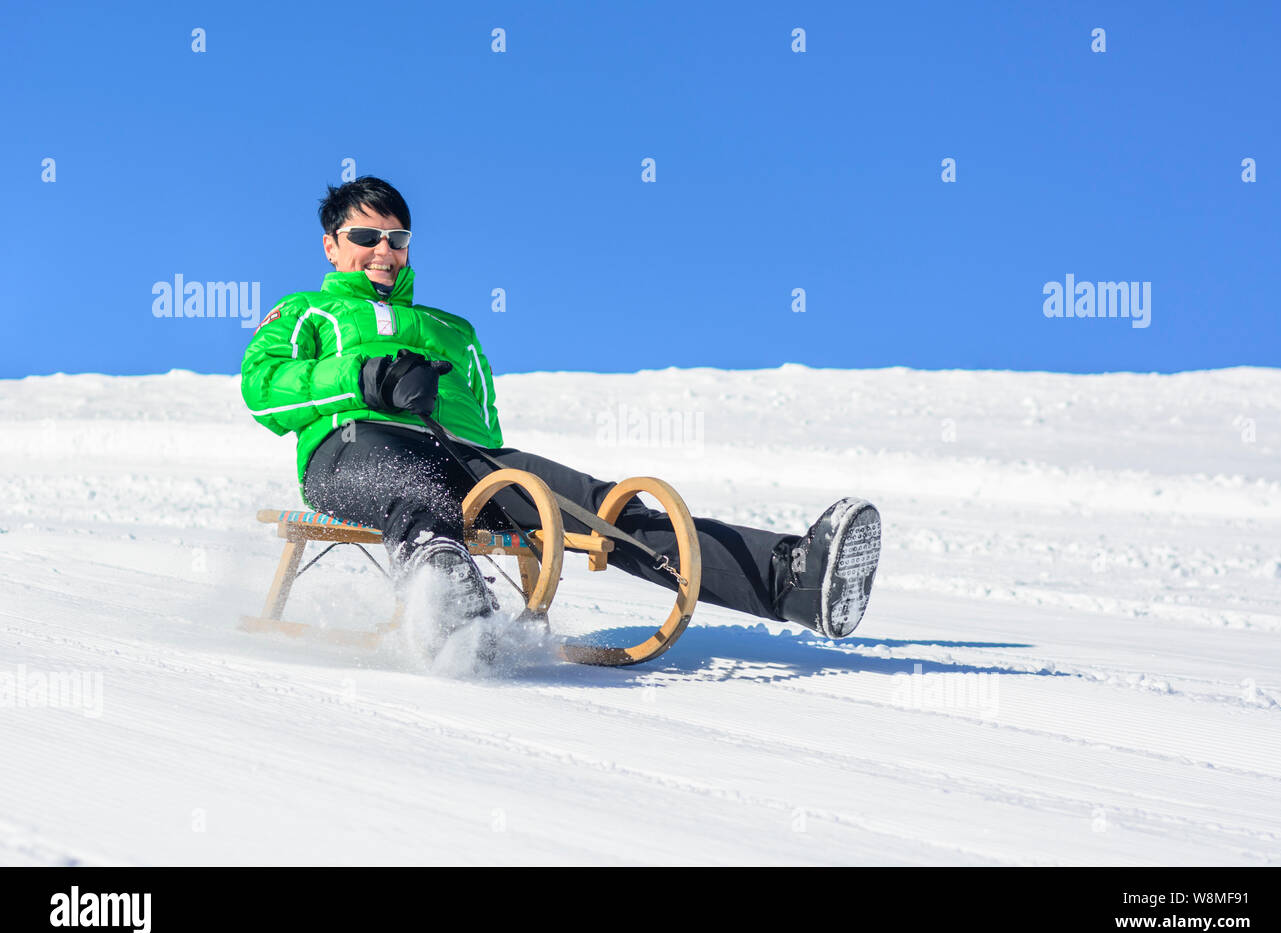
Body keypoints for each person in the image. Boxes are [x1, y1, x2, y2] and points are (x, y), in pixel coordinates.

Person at [240, 177, 881, 642]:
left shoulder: (450, 327)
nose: (383, 248)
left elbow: (483, 425)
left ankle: (792, 581)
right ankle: (449, 599)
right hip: (353, 448)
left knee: (598, 506)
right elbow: (263, 387)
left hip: (466, 458)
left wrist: (484, 461)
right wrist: (368, 376)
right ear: (332, 245)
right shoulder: (306, 311)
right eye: (366, 236)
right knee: (414, 491)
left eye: (397, 237)